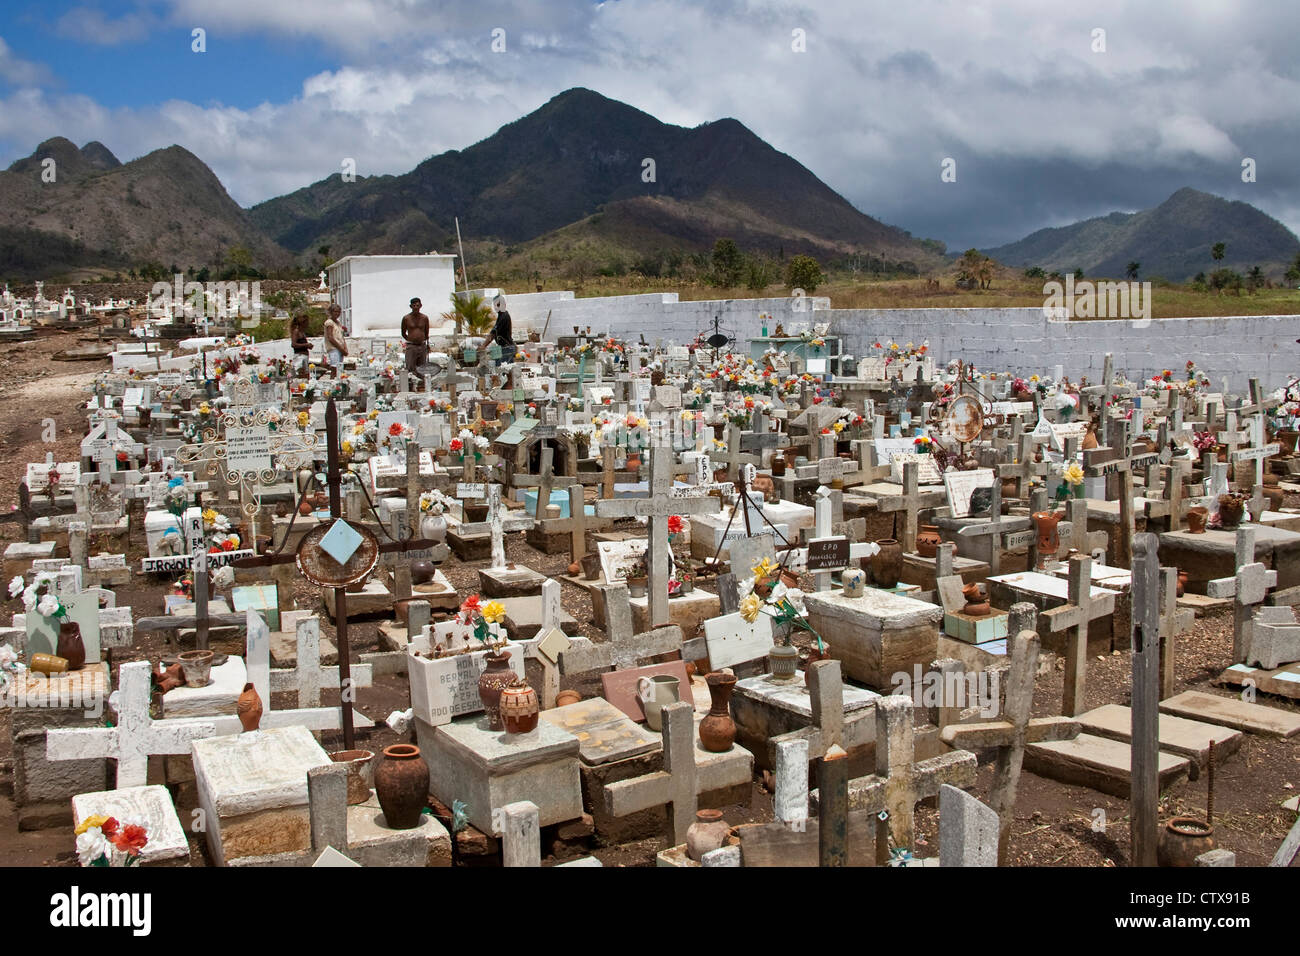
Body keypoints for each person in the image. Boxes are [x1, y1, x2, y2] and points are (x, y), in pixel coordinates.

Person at [401, 297, 429, 379]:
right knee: (410, 367)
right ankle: (411, 386)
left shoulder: (424, 318)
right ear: (411, 306)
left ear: (421, 305)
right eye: (414, 305)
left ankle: (422, 387)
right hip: (411, 346)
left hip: (422, 346)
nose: (416, 307)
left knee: (422, 368)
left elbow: (426, 332)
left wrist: (427, 344)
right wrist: (411, 340)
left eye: (417, 305)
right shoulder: (406, 318)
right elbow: (403, 333)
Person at [484, 295, 515, 367]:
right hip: (503, 347)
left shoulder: (504, 316)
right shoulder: (501, 315)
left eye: (498, 304)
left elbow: (493, 333)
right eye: (495, 304)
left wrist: (483, 346)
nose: (496, 307)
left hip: (506, 348)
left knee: (504, 371)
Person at [323, 304, 348, 376]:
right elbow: (330, 337)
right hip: (334, 348)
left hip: (340, 348)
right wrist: (340, 348)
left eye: (338, 312)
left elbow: (341, 337)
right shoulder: (329, 322)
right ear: (331, 312)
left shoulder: (338, 323)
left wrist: (345, 348)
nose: (337, 313)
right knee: (334, 370)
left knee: (339, 371)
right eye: (335, 311)